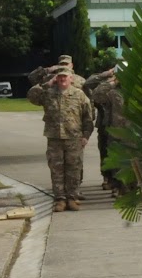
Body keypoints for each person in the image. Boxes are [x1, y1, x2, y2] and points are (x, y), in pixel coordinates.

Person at [26, 61, 95, 211]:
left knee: (73, 169)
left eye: (65, 77)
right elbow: (31, 96)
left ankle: (72, 197)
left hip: (74, 138)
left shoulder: (79, 94)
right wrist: (47, 84)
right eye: (60, 77)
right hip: (54, 138)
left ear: (71, 78)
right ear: (56, 78)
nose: (62, 79)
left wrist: (86, 136)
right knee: (56, 169)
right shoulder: (48, 93)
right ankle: (60, 199)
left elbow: (87, 118)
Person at [89, 67, 125, 195]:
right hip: (114, 131)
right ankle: (118, 187)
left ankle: (133, 189)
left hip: (132, 133)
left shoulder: (137, 90)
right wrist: (111, 82)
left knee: (134, 162)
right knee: (115, 161)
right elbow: (96, 95)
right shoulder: (112, 91)